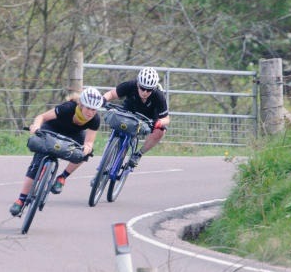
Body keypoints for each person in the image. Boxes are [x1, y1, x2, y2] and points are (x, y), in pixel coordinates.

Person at [9, 88, 103, 217]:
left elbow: (89, 141)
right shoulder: (68, 108)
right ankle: (21, 199)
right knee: (36, 164)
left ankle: (62, 177)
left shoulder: (95, 119)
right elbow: (41, 117)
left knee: (84, 154)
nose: (91, 112)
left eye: (94, 109)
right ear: (81, 104)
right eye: (88, 108)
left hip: (74, 134)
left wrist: (87, 147)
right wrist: (36, 126)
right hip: (52, 128)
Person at [105, 66, 170, 168]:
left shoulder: (158, 96)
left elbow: (166, 119)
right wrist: (103, 100)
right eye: (142, 88)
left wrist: (159, 123)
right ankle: (110, 151)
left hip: (148, 118)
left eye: (149, 90)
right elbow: (112, 94)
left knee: (161, 131)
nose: (145, 92)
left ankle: (138, 154)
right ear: (138, 84)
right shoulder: (130, 85)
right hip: (129, 111)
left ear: (154, 88)